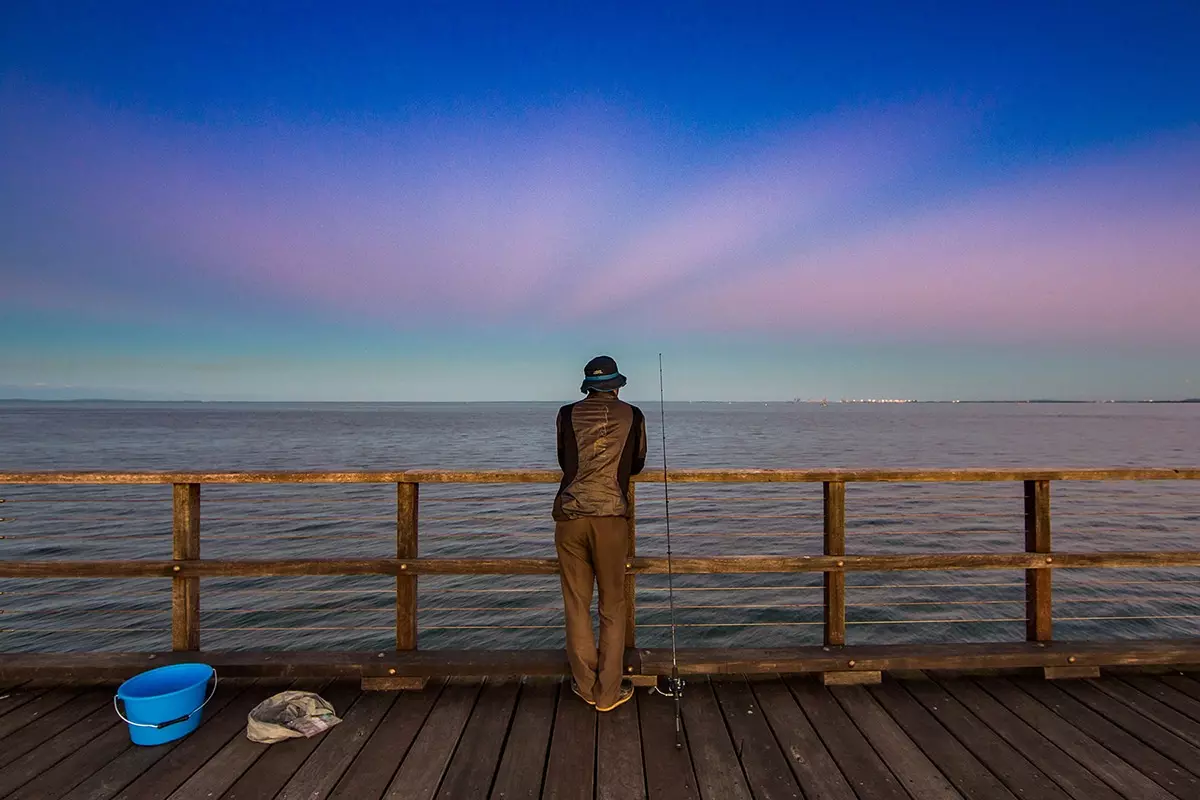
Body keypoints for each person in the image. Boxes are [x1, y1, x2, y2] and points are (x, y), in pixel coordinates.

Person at [553, 355, 646, 711]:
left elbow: (565, 461)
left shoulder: (565, 414)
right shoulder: (633, 415)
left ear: (588, 387)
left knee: (577, 605)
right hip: (610, 519)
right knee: (613, 605)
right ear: (616, 385)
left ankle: (585, 685)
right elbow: (636, 462)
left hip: (571, 516)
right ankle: (607, 693)